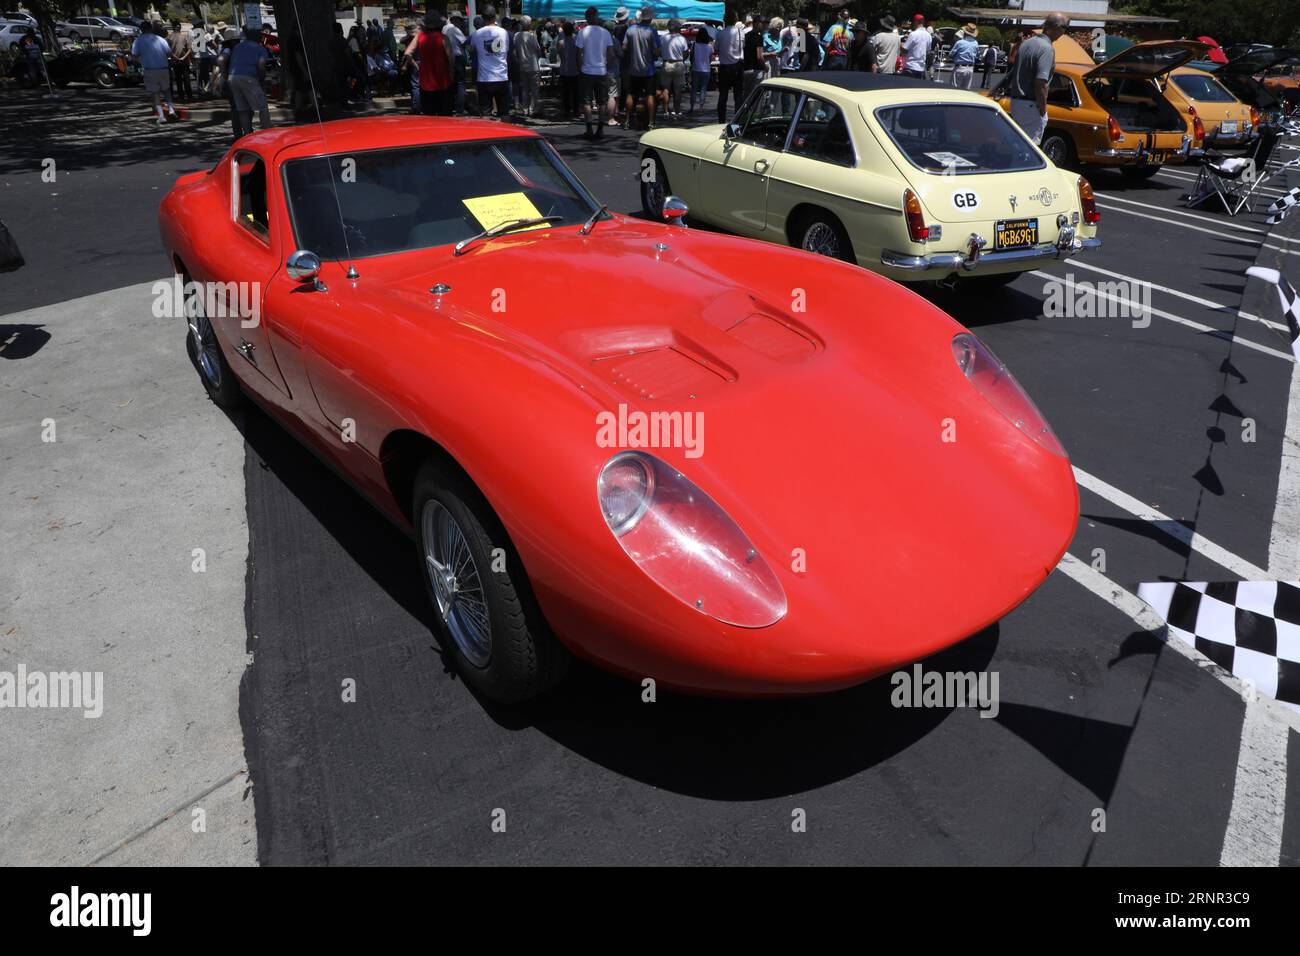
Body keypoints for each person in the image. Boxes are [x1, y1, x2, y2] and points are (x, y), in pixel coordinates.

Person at [1006, 13, 1067, 143]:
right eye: (1065, 27)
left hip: (1017, 102)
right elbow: (1041, 83)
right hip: (1031, 104)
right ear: (1056, 27)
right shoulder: (1047, 48)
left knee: (1017, 145)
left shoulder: (1027, 43)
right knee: (1029, 151)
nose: (1065, 31)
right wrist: (1043, 110)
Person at [221, 25, 271, 138]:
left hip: (233, 78)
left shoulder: (238, 47)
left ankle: (247, 135)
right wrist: (261, 81)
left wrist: (226, 77)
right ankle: (268, 132)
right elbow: (261, 65)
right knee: (262, 106)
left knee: (242, 108)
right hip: (248, 77)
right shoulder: (260, 48)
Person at [576, 5, 617, 137]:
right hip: (601, 70)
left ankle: (589, 128)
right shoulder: (605, 32)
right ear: (597, 17)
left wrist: (580, 67)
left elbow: (578, 53)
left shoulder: (582, 32)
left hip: (587, 71)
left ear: (587, 18)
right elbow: (611, 54)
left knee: (586, 101)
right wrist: (606, 65)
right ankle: (600, 129)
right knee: (602, 101)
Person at [133, 21, 178, 124]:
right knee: (166, 90)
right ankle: (171, 110)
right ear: (151, 28)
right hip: (163, 68)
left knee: (155, 93)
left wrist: (143, 60)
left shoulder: (138, 41)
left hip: (150, 69)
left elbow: (134, 56)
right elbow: (169, 53)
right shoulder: (160, 39)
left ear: (141, 29)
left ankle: (161, 115)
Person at [406, 12, 451, 115]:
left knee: (429, 115)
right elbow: (450, 58)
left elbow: (407, 53)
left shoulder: (420, 36)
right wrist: (451, 72)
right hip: (443, 81)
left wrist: (417, 66)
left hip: (426, 82)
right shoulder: (443, 38)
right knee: (444, 114)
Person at [471, 5, 511, 119]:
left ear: (483, 18)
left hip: (484, 78)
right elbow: (506, 51)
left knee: (485, 113)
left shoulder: (477, 34)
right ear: (495, 17)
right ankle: (508, 135)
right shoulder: (504, 33)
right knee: (504, 112)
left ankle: (487, 135)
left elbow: (472, 49)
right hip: (501, 77)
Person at [622, 5, 658, 129]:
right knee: (650, 95)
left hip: (634, 69)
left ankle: (626, 121)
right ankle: (651, 123)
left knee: (630, 94)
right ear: (650, 18)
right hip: (649, 70)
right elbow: (656, 50)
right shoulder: (652, 31)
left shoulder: (630, 30)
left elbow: (624, 48)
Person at [715, 10, 743, 122]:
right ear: (735, 20)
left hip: (724, 66)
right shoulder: (741, 32)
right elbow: (742, 47)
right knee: (738, 96)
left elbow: (716, 48)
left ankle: (721, 120)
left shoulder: (720, 33)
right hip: (737, 65)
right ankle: (737, 121)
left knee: (723, 96)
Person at [658, 19, 687, 118]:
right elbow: (686, 52)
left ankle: (666, 111)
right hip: (678, 63)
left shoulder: (663, 38)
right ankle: (676, 111)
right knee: (677, 90)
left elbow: (659, 51)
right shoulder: (682, 39)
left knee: (666, 89)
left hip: (666, 63)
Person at [515, 15, 542, 116]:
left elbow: (515, 52)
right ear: (528, 24)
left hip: (522, 65)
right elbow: (538, 51)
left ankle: (525, 109)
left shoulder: (516, 36)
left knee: (525, 89)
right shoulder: (532, 36)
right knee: (534, 89)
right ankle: (533, 109)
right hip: (533, 65)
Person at [444, 14, 467, 114]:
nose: (461, 23)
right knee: (460, 84)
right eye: (460, 20)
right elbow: (464, 42)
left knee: (449, 83)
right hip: (457, 58)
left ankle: (449, 106)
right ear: (455, 20)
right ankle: (459, 109)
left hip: (446, 58)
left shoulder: (444, 28)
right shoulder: (455, 29)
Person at [557, 19, 580, 118]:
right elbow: (579, 55)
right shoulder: (576, 40)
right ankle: (576, 110)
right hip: (575, 69)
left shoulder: (561, 42)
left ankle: (567, 110)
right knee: (575, 92)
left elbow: (560, 55)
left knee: (565, 92)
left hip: (564, 69)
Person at [742, 14, 765, 102]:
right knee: (755, 95)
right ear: (756, 23)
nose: (763, 25)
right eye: (761, 23)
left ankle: (743, 113)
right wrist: (765, 67)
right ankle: (753, 114)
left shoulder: (746, 35)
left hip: (746, 68)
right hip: (756, 69)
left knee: (746, 95)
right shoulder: (759, 37)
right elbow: (759, 56)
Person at [689, 26, 712, 114]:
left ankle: (692, 107)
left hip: (696, 68)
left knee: (694, 88)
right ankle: (701, 107)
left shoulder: (695, 45)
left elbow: (691, 56)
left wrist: (692, 64)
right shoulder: (709, 46)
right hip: (706, 69)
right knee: (703, 89)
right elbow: (710, 58)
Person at [950, 22, 979, 90]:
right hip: (970, 69)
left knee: (954, 90)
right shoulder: (976, 43)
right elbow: (976, 55)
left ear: (964, 32)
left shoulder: (960, 42)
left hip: (960, 68)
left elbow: (951, 54)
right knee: (966, 91)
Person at [900, 13, 931, 78]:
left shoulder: (913, 34)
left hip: (910, 67)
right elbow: (928, 50)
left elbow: (904, 50)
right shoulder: (928, 35)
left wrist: (899, 42)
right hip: (921, 68)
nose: (912, 23)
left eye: (913, 21)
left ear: (917, 22)